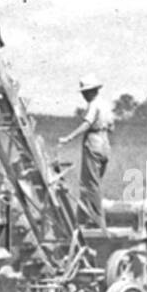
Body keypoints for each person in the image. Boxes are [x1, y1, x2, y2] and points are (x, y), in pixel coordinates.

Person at [58, 76, 114, 226]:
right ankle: (81, 219)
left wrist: (69, 138)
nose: (84, 95)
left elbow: (86, 124)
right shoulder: (106, 105)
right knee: (91, 184)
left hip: (93, 143)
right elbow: (112, 126)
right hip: (105, 144)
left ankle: (97, 220)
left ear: (91, 91)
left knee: (90, 185)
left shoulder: (93, 105)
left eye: (85, 92)